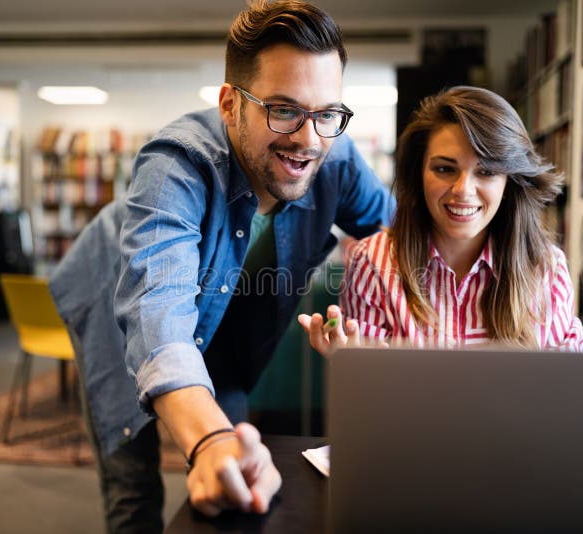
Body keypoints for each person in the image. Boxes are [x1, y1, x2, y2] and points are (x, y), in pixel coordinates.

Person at [52, 1, 394, 531]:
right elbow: (158, 317)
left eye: (327, 113)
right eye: (283, 109)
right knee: (133, 481)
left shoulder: (337, 158)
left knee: (238, 473)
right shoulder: (176, 167)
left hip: (226, 318)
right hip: (118, 298)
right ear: (231, 104)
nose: (309, 139)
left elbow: (400, 237)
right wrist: (210, 440)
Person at [299, 86, 583, 353]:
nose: (463, 190)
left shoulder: (546, 269)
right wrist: (351, 371)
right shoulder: (372, 263)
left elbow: (568, 387)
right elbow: (371, 389)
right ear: (418, 175)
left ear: (509, 181)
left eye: (486, 172)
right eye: (444, 169)